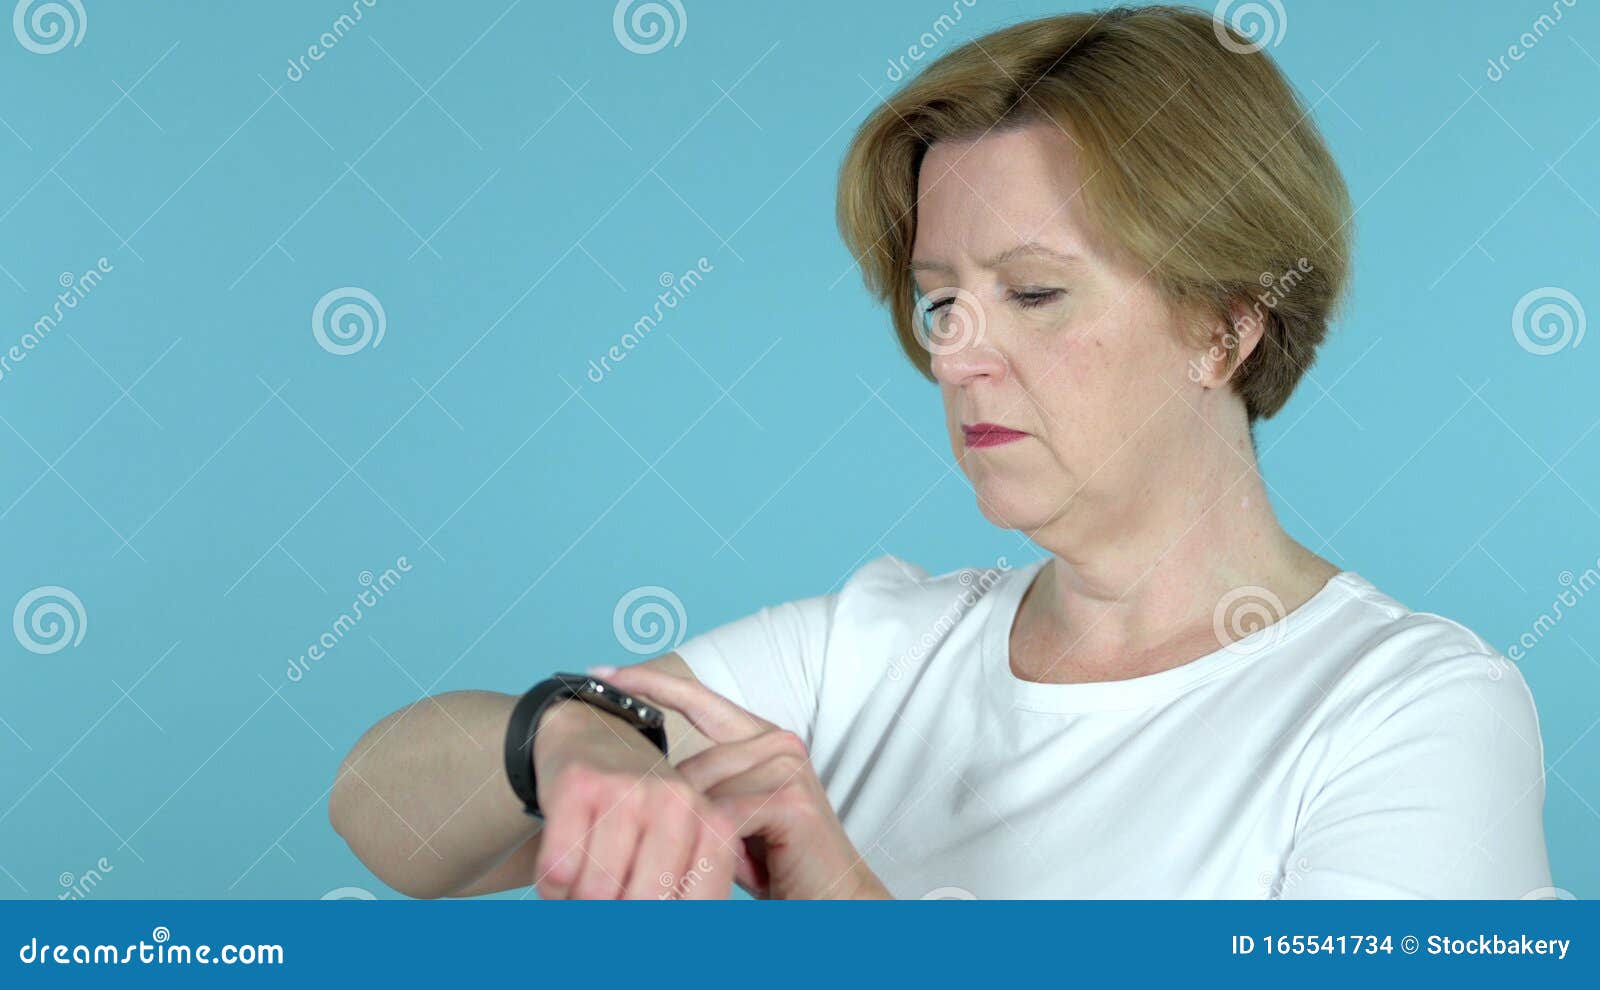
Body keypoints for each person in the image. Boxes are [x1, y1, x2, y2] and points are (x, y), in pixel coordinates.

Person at [329, 4, 1550, 899]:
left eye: (1032, 294)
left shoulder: (1413, 712)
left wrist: (853, 925)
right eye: (937, 302)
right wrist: (580, 741)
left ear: (1225, 327)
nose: (958, 354)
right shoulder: (867, 657)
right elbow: (377, 808)